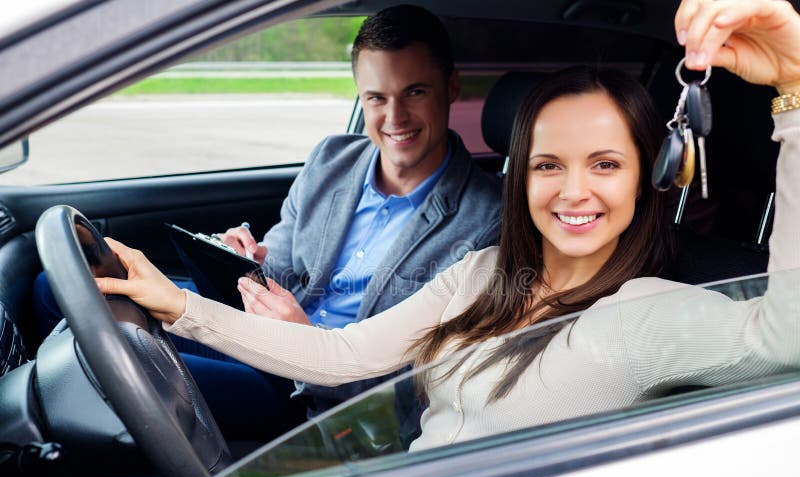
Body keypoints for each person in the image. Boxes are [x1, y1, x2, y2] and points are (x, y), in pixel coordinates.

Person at [96, 0, 800, 451]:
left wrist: (794, 95)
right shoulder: (485, 273)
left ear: (646, 177)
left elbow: (786, 335)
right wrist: (178, 304)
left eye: (606, 164)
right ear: (521, 175)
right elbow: (343, 353)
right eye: (547, 165)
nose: (573, 191)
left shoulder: (644, 314)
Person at [32, 4, 503, 442]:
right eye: (376, 97)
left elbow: (426, 381)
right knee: (61, 286)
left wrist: (308, 339)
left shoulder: (489, 222)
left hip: (316, 394)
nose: (394, 117)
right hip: (246, 329)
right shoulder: (332, 159)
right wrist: (246, 259)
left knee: (108, 360)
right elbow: (281, 261)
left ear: (451, 87)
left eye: (415, 92)